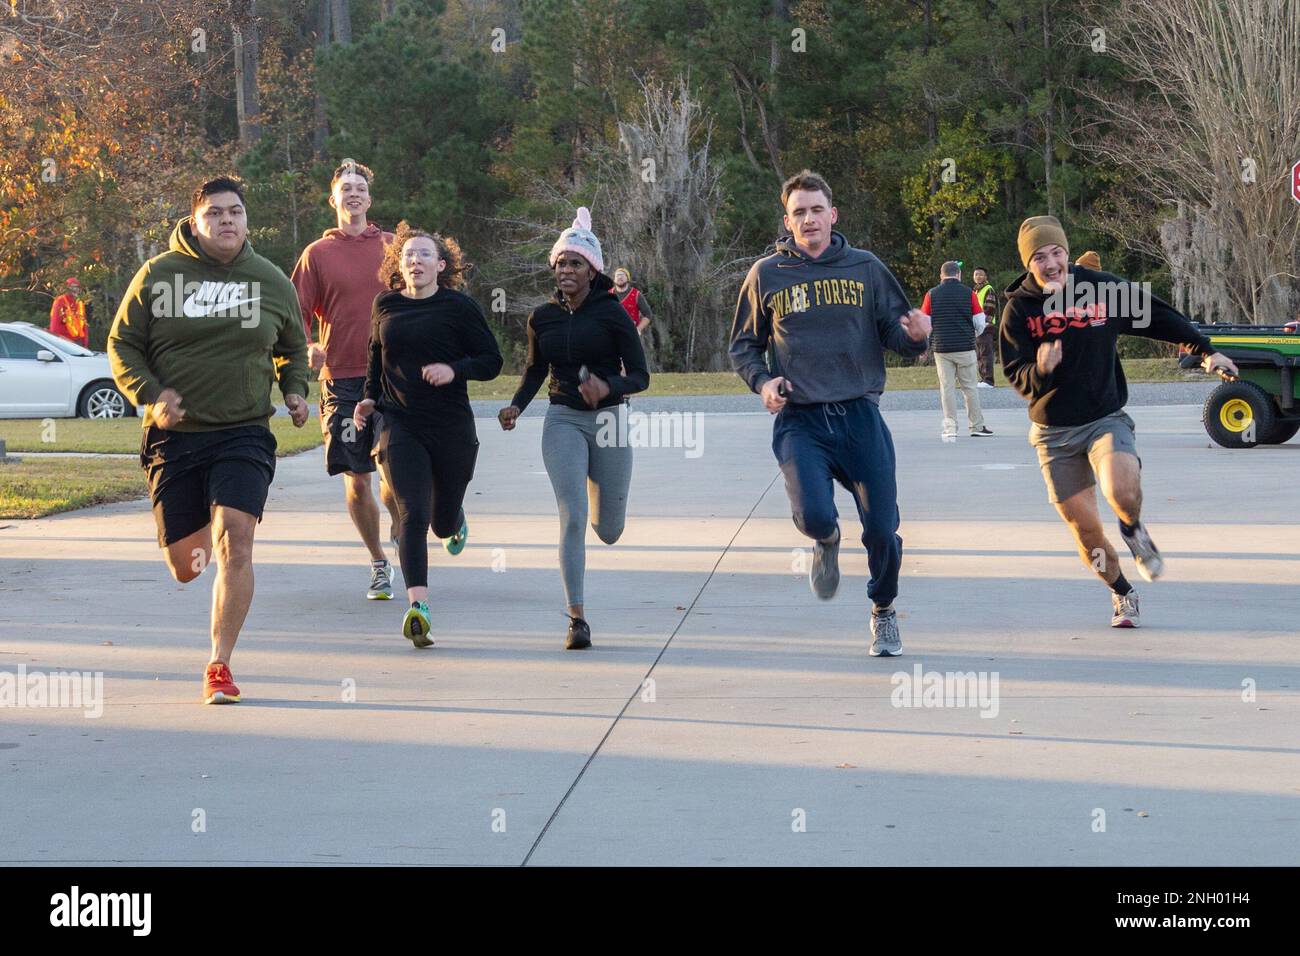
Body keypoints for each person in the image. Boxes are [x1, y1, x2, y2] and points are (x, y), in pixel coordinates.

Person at [108, 175, 310, 703]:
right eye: (215, 213)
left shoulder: (269, 280)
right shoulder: (160, 275)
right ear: (195, 222)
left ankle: (219, 663)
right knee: (187, 565)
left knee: (236, 539)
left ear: (246, 220)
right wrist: (151, 393)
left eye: (235, 212)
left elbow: (293, 346)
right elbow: (121, 343)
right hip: (175, 437)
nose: (226, 220)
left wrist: (293, 389)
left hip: (243, 431)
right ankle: (196, 540)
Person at [729, 169, 931, 658]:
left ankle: (883, 610)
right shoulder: (767, 274)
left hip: (860, 415)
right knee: (815, 516)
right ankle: (827, 539)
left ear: (833, 214)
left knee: (883, 529)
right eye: (799, 211)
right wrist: (764, 382)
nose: (809, 218)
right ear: (788, 220)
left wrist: (919, 337)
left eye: (817, 209)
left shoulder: (865, 267)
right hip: (802, 420)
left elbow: (896, 335)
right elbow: (743, 346)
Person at [1001, 215, 1238, 628]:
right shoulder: (1019, 310)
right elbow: (1015, 374)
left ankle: (1132, 529)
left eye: (1056, 252)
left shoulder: (1100, 289)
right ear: (1029, 264)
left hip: (1104, 418)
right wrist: (1039, 370)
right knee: (1086, 531)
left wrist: (1205, 351)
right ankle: (1121, 592)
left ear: (1067, 253)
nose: (1050, 262)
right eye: (1039, 256)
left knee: (1121, 491)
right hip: (1053, 434)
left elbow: (1158, 315)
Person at [498, 208, 649, 650]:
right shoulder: (541, 317)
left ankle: (609, 501)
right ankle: (577, 618)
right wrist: (516, 406)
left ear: (592, 270)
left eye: (575, 263)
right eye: (561, 262)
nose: (566, 269)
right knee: (573, 516)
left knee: (608, 530)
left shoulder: (613, 314)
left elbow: (640, 376)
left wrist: (608, 386)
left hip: (609, 422)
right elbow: (533, 370)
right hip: (562, 418)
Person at [353, 225, 502, 647]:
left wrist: (455, 369)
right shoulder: (385, 304)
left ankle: (454, 518)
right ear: (398, 265)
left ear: (441, 264)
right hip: (402, 425)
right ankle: (419, 607)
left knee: (440, 522)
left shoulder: (459, 307)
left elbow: (492, 360)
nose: (415, 261)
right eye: (408, 256)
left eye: (424, 255)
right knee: (412, 514)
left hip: (452, 427)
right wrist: (369, 401)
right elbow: (373, 363)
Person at [291, 159, 402, 601]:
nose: (353, 194)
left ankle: (407, 526)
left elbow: (420, 297)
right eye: (345, 188)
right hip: (341, 381)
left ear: (369, 200)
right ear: (333, 199)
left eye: (360, 187)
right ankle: (378, 561)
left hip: (393, 378)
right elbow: (294, 312)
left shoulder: (394, 246)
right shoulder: (317, 254)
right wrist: (306, 348)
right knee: (356, 480)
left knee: (395, 473)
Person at [920, 261, 993, 440]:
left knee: (947, 388)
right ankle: (976, 425)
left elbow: (924, 322)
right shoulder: (969, 293)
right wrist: (972, 334)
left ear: (941, 275)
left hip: (941, 348)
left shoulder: (931, 294)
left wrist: (927, 343)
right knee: (969, 387)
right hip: (965, 347)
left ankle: (950, 428)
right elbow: (979, 322)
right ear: (959, 274)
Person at [972, 266, 998, 387]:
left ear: (986, 277)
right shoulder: (976, 291)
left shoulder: (988, 289)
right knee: (980, 354)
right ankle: (983, 379)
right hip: (978, 326)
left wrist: (983, 324)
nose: (978, 276)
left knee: (985, 353)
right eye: (976, 274)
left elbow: (989, 308)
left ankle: (988, 380)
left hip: (986, 326)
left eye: (981, 274)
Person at [612, 267, 654, 335]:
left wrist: (638, 329)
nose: (619, 277)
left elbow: (648, 314)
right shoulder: (608, 294)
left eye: (622, 275)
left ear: (627, 278)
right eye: (617, 275)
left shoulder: (636, 295)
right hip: (611, 335)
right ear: (614, 279)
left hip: (630, 335)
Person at [50, 277, 89, 348]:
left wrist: (85, 342)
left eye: (77, 287)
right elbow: (54, 324)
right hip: (64, 341)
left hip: (78, 341)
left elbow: (83, 325)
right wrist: (54, 342)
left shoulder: (80, 303)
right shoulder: (60, 301)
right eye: (72, 287)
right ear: (67, 288)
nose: (75, 289)